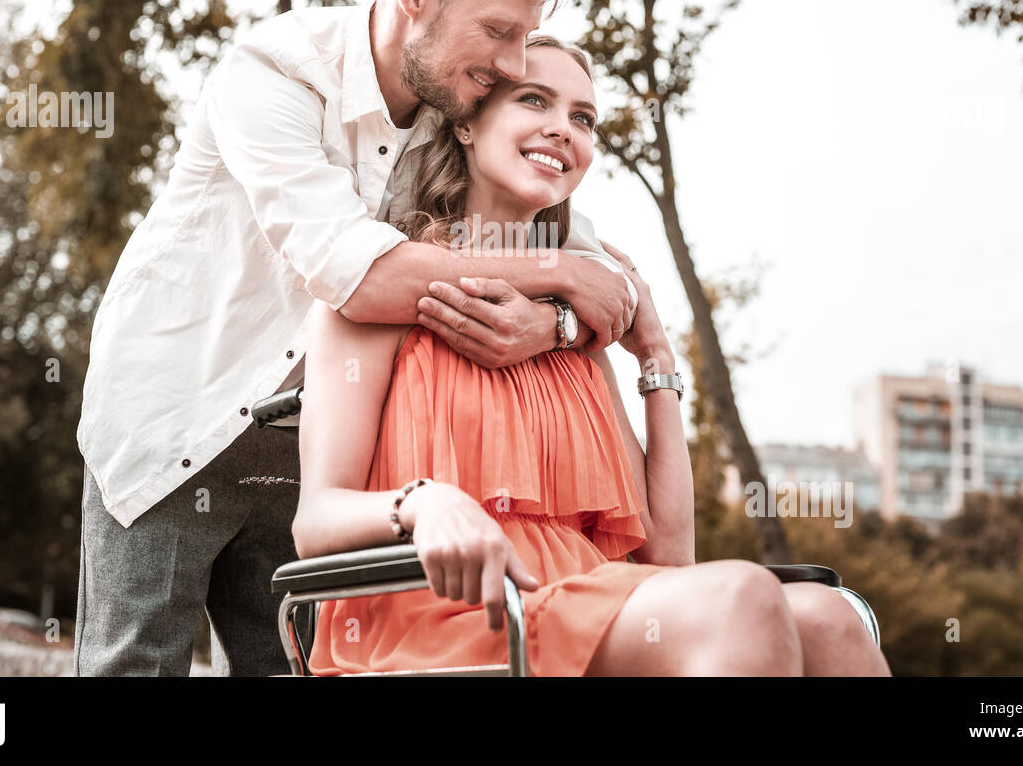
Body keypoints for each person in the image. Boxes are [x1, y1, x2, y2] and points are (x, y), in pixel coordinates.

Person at [73, 0, 638, 676]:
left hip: (320, 461)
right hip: (176, 421)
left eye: (523, 36)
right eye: (499, 31)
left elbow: (604, 278)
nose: (516, 63)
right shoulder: (270, 74)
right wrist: (554, 272)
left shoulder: (458, 105)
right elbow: (360, 278)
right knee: (134, 666)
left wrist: (555, 314)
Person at [295, 36, 893, 676]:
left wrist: (656, 356)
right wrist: (421, 502)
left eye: (582, 118)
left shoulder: (569, 331)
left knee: (830, 616)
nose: (562, 130)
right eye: (534, 100)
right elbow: (315, 522)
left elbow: (668, 556)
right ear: (466, 123)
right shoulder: (377, 294)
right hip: (455, 612)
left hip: (595, 601)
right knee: (742, 597)